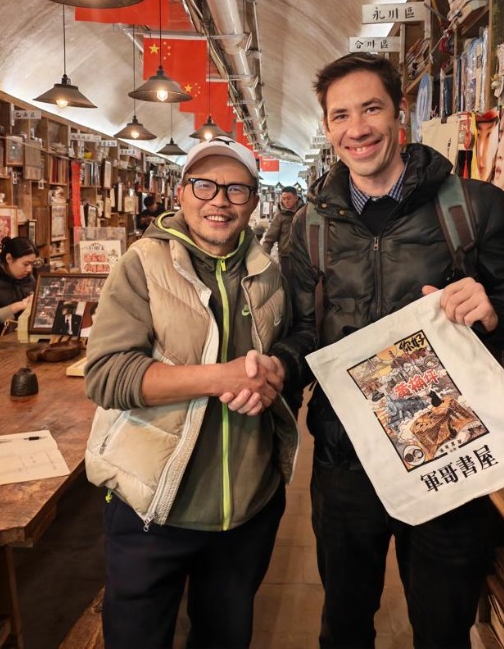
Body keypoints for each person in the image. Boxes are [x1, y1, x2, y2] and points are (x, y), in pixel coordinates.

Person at [268, 53, 504, 649]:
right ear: (327, 129)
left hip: (449, 458)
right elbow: (303, 332)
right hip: (345, 463)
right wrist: (278, 367)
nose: (358, 128)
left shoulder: (470, 207)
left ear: (399, 113)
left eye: (371, 108)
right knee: (344, 625)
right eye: (341, 115)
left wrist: (496, 310)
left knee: (443, 627)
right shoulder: (312, 228)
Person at [83, 136, 299, 649]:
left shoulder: (268, 273)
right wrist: (217, 378)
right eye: (204, 185)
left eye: (236, 189)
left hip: (247, 508)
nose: (218, 201)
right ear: (181, 193)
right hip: (153, 507)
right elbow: (107, 375)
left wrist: (273, 372)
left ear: (254, 199)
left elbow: (285, 350)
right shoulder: (143, 264)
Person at [260, 185, 305, 279]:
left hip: (303, 256)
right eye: (284, 199)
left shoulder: (304, 213)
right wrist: (263, 257)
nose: (286, 201)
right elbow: (269, 239)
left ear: (296, 198)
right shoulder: (280, 216)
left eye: (289, 198)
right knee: (288, 285)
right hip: (286, 257)